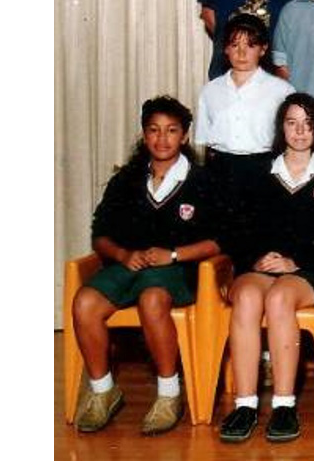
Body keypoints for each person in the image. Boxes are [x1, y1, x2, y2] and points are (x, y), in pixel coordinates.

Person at [71, 96, 219, 435]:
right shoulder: (127, 179)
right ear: (144, 134)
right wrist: (122, 255)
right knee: (85, 303)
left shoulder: (202, 182)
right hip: (130, 266)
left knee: (152, 299)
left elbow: (219, 241)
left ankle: (169, 393)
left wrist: (176, 254)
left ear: (184, 136)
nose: (162, 139)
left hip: (178, 270)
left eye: (171, 131)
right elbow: (101, 235)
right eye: (154, 130)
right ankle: (103, 390)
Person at [218, 94, 314, 444]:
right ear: (281, 128)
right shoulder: (257, 173)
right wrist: (257, 258)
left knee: (279, 299)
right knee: (247, 296)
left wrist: (297, 262)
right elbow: (236, 230)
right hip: (260, 268)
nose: (300, 131)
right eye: (292, 123)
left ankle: (283, 404)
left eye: (308, 124)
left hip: (307, 273)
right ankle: (246, 404)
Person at [196, 15, 296, 232]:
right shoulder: (210, 91)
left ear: (263, 49)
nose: (242, 53)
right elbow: (206, 145)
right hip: (221, 172)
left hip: (264, 169)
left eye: (250, 45)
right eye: (235, 45)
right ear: (225, 49)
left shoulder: (281, 90)